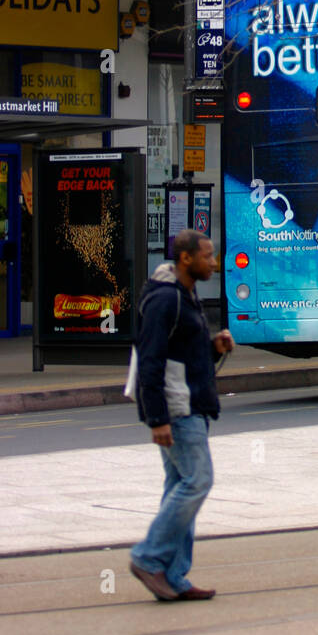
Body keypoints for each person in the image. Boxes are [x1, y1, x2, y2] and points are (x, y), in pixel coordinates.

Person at [129, 230, 234, 602]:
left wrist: (211, 345)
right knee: (197, 481)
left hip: (190, 403)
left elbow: (181, 350)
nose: (214, 262)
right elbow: (150, 361)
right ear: (186, 259)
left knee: (179, 486)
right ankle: (147, 558)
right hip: (178, 408)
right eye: (207, 256)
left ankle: (173, 576)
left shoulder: (184, 294)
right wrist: (156, 417)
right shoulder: (165, 300)